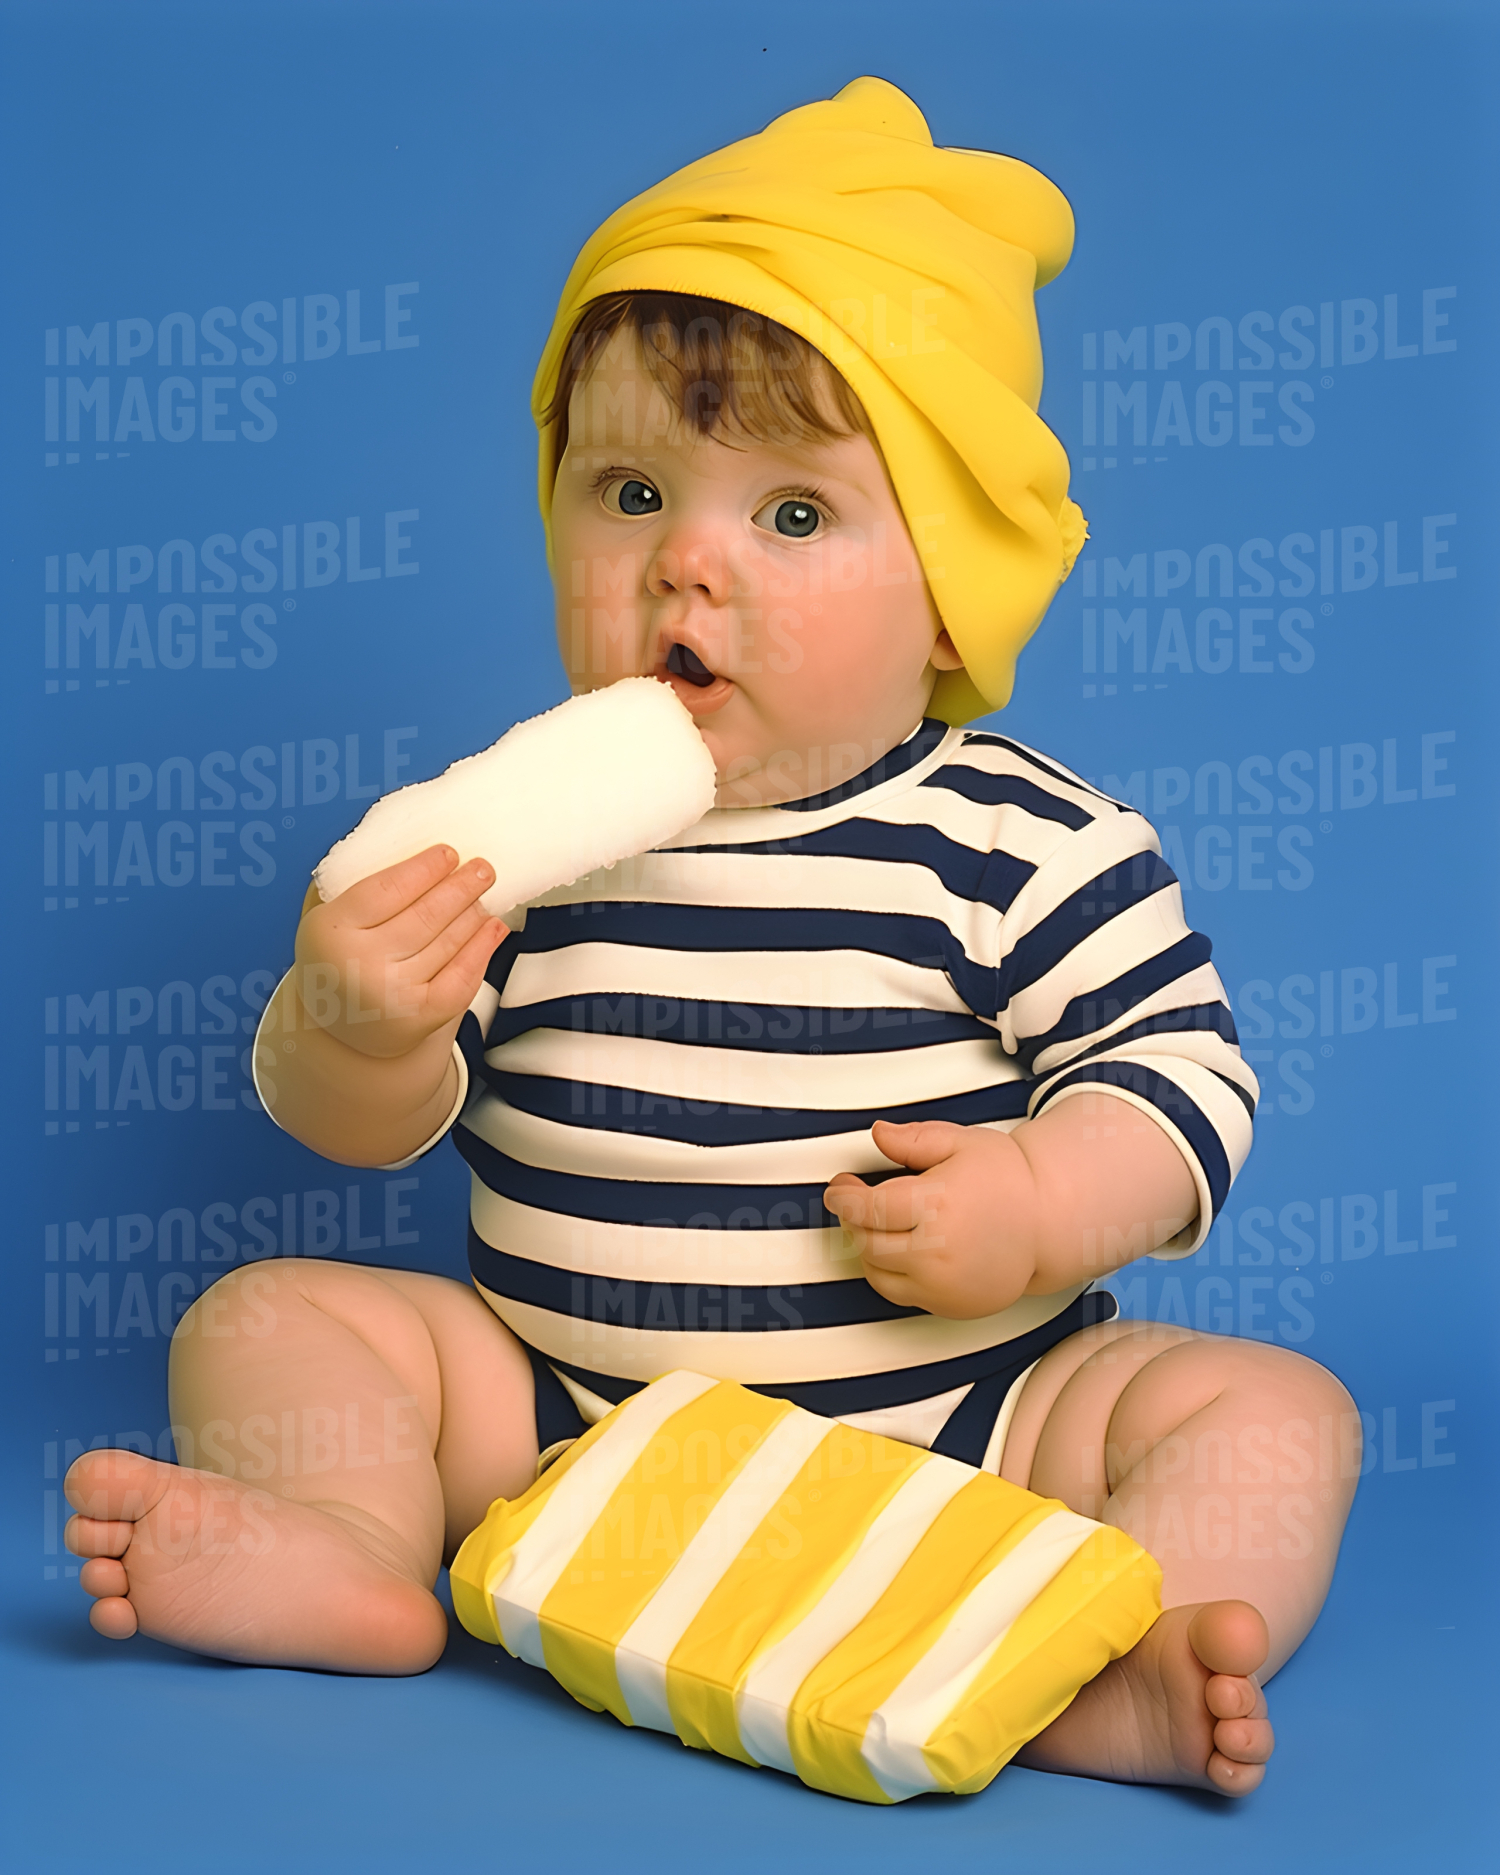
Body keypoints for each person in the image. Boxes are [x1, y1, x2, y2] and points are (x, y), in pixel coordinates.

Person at [63, 77, 1357, 1796]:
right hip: (566, 1440)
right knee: (270, 1314)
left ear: (951, 581)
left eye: (795, 515)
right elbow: (359, 1122)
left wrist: (1041, 1198)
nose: (685, 566)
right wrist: (353, 1022)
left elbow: (1185, 1085)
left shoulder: (1024, 840)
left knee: (1271, 1416)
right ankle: (354, 1548)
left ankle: (1088, 1667)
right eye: (623, 493)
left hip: (965, 1449)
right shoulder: (527, 851)